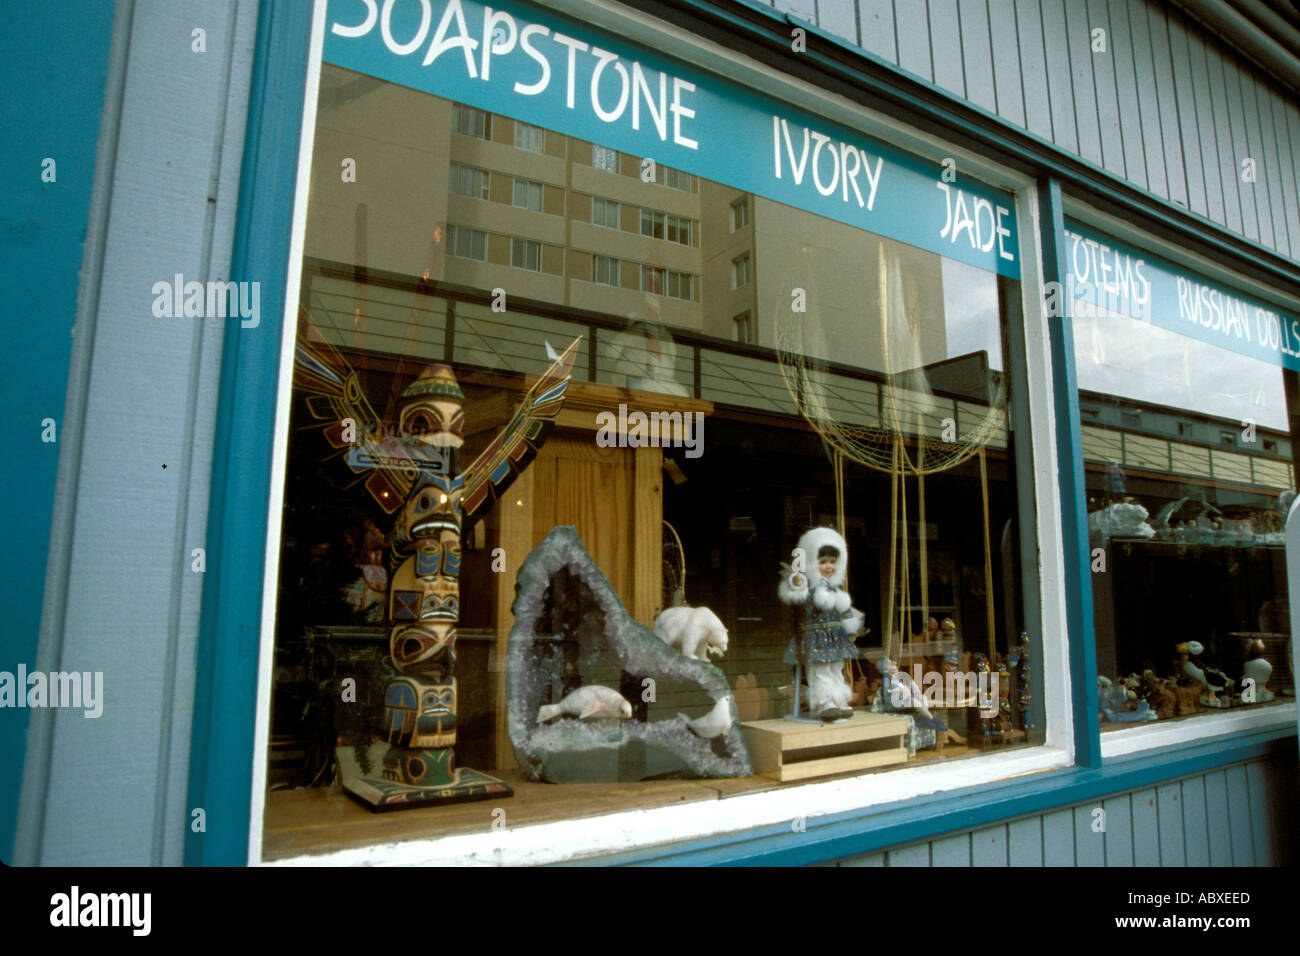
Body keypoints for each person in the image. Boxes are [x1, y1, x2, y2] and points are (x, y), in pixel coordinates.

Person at [778, 527, 863, 721]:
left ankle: (837, 700)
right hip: (816, 637)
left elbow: (843, 611)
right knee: (820, 670)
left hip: (834, 636)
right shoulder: (808, 587)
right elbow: (798, 598)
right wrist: (798, 583)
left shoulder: (834, 589)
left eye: (832, 562)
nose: (828, 566)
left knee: (836, 669)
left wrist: (850, 624)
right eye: (823, 562)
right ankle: (823, 703)